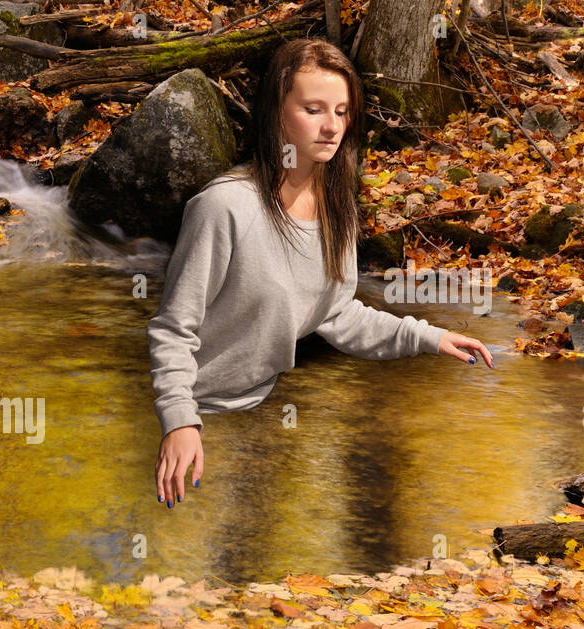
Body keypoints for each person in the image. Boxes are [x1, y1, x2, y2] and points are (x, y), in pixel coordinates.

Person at [148, 38, 493, 509]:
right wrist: (178, 422)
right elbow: (173, 329)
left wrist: (428, 337)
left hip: (258, 409)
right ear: (277, 113)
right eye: (313, 109)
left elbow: (337, 314)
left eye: (342, 111)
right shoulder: (224, 207)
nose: (332, 127)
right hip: (190, 415)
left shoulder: (337, 207)